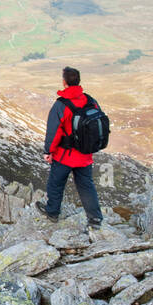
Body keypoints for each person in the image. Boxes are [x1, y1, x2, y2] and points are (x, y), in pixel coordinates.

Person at [36, 66, 103, 225]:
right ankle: (95, 218)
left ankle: (52, 212)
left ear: (64, 82)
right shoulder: (90, 101)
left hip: (64, 155)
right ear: (78, 81)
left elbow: (54, 131)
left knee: (55, 184)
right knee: (86, 186)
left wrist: (48, 151)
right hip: (85, 154)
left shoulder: (61, 105)